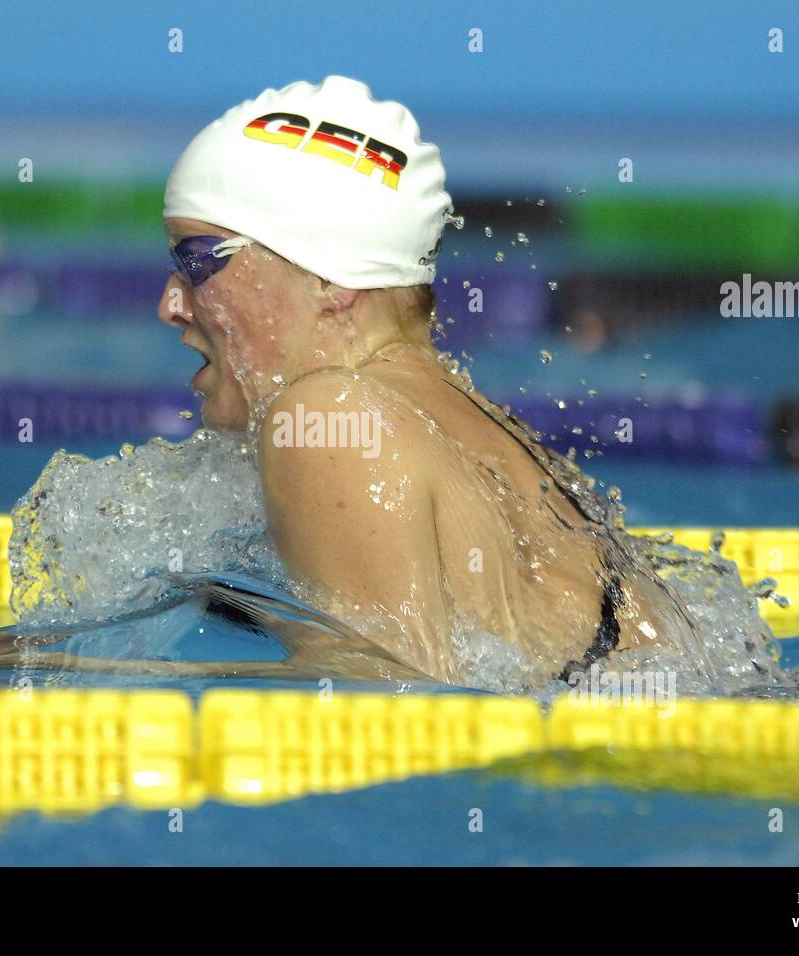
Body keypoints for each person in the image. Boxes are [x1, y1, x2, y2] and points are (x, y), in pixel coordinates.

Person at [157, 76, 694, 689]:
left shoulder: (330, 417)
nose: (171, 302)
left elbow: (383, 706)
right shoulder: (476, 428)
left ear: (330, 275)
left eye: (198, 260)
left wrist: (58, 670)